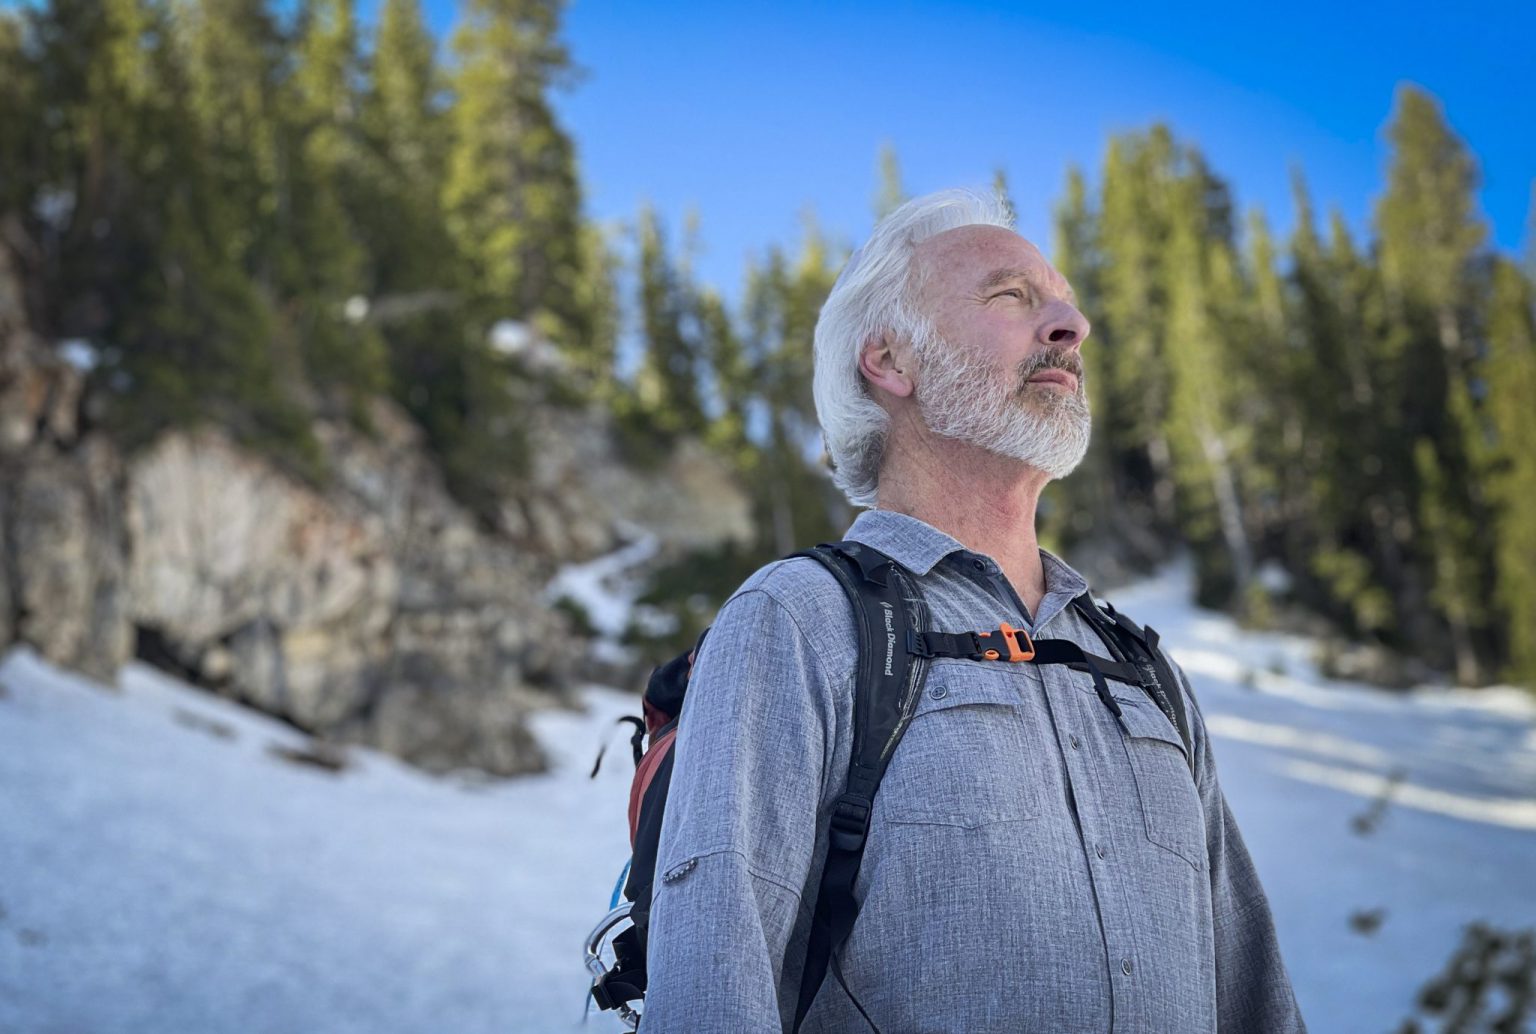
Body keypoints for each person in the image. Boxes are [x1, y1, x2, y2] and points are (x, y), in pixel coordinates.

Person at [640, 189, 1306, 1033]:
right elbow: (710, 999)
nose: (1071, 324)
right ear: (890, 362)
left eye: (1065, 300)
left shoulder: (1140, 667)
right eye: (1010, 297)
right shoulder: (801, 620)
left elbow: (1255, 999)